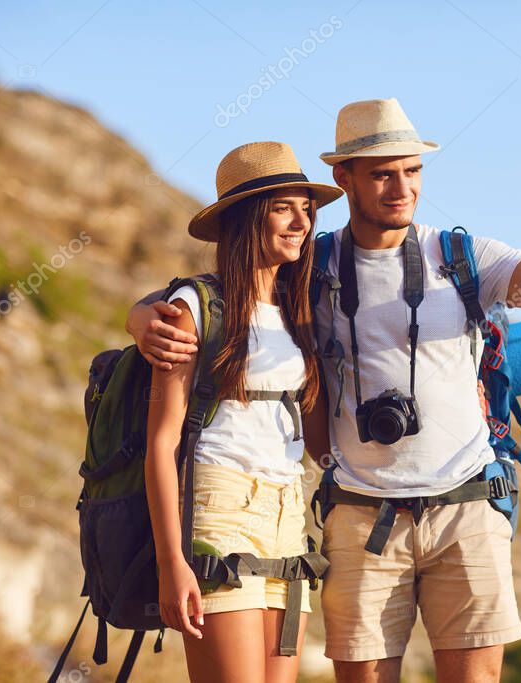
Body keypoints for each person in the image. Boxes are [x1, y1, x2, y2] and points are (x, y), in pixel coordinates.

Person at [129, 100, 521, 683]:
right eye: (382, 173)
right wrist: (143, 315)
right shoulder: (310, 270)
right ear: (344, 180)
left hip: (467, 506)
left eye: (413, 171)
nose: (402, 188)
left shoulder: (462, 259)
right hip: (356, 516)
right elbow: (218, 293)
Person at [141, 140, 342, 683]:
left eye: (306, 208)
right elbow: (162, 445)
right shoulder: (194, 307)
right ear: (246, 218)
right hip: (219, 507)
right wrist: (171, 563)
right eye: (283, 207)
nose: (301, 222)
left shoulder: (300, 310)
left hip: (288, 517)